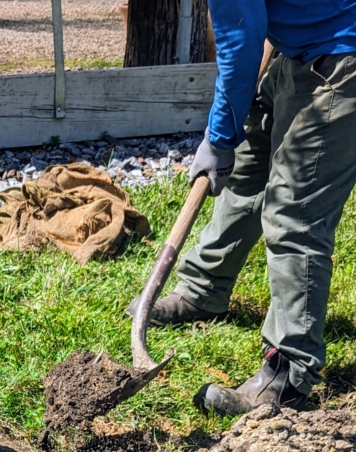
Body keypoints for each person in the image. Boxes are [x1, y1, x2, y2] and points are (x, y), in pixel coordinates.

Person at [127, 0, 356, 415]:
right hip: (302, 48)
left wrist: (217, 137)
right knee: (251, 162)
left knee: (295, 211)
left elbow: (239, 45)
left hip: (340, 60)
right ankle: (204, 289)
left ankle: (288, 371)